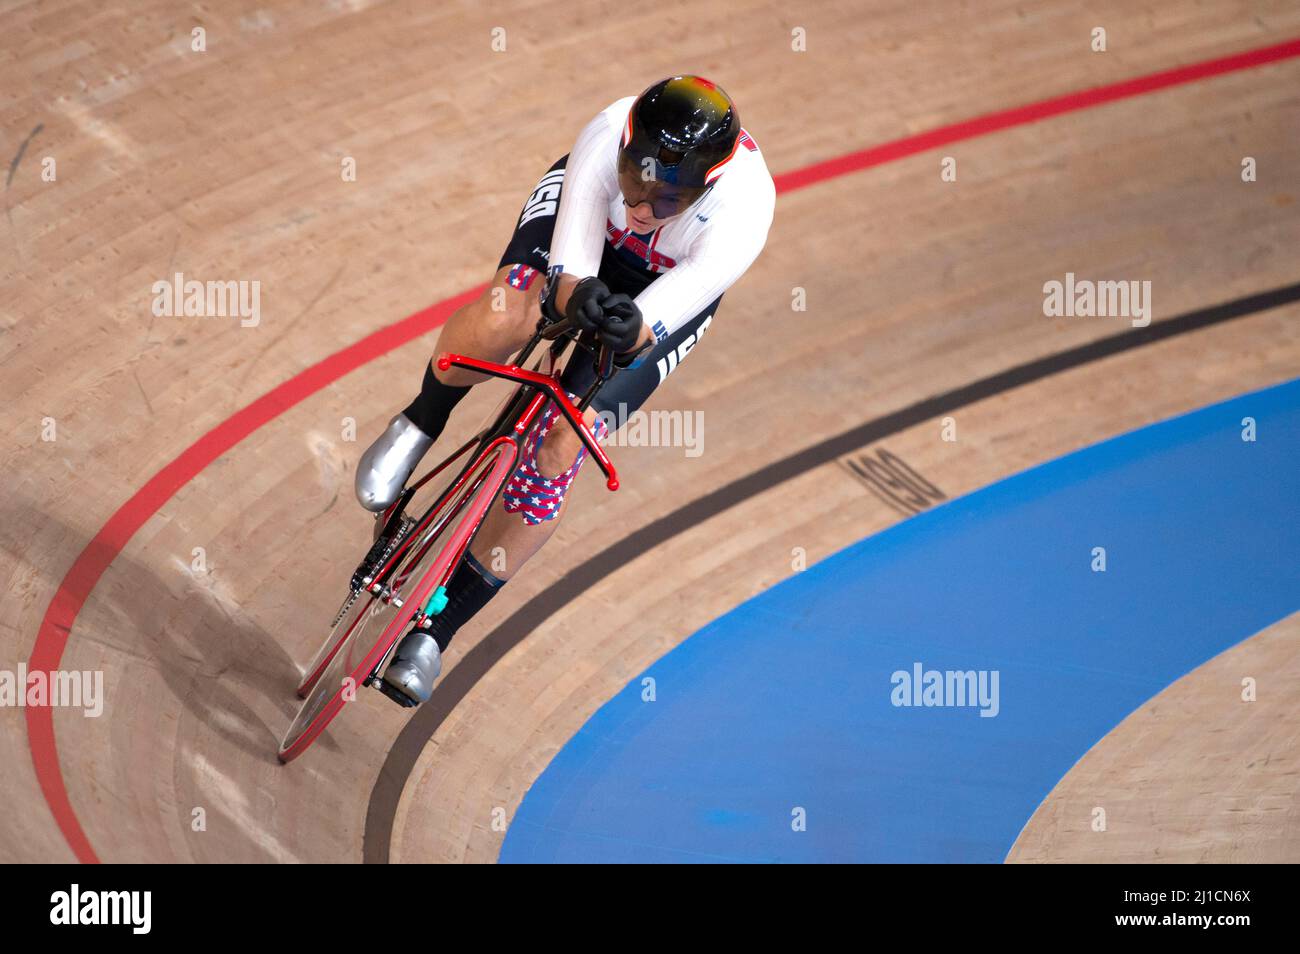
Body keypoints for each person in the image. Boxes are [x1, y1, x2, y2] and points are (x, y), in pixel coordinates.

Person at [355, 75, 776, 705]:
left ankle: (437, 631)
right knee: (508, 315)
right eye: (636, 182)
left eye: (667, 201)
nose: (642, 206)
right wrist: (573, 292)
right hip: (584, 243)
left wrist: (630, 327)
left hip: (665, 287)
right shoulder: (608, 133)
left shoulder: (743, 212)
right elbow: (567, 274)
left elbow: (653, 323)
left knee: (563, 443)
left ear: (706, 187)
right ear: (627, 150)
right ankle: (420, 420)